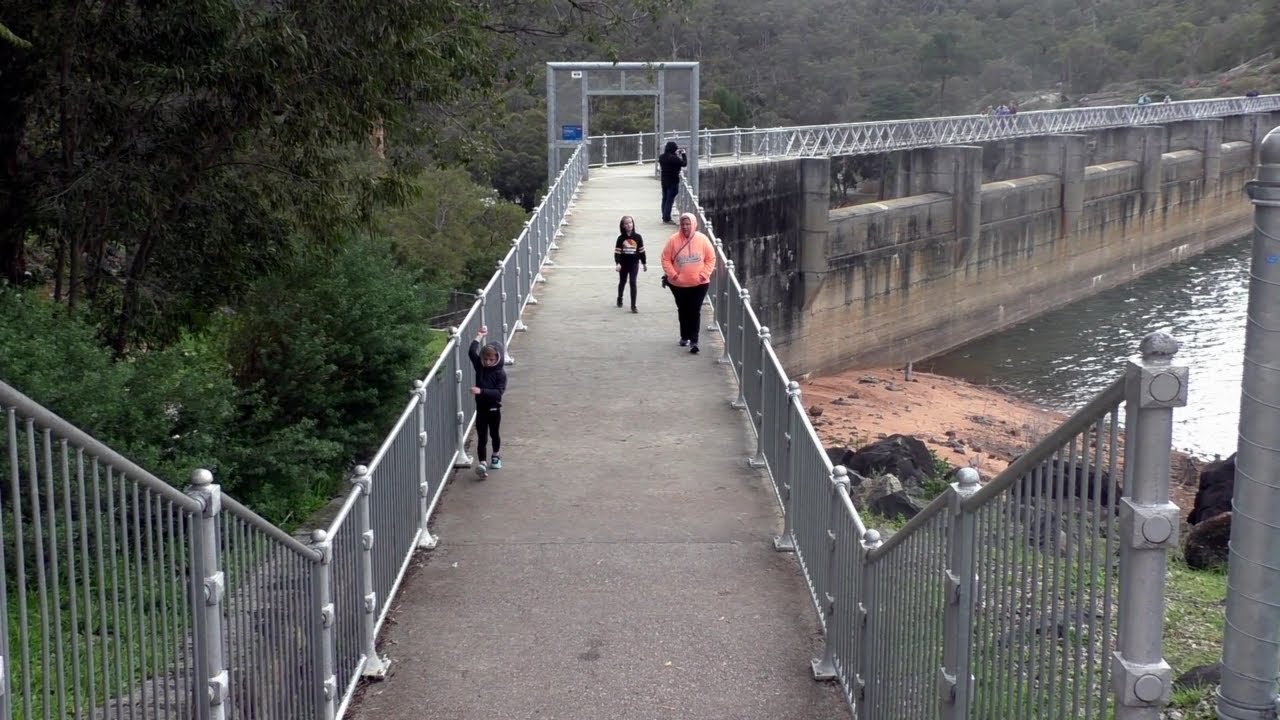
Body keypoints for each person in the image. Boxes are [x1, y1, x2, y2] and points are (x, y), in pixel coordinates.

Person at [660, 212, 717, 354]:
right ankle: (684, 335)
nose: (685, 227)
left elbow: (711, 258)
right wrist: (673, 275)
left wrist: (704, 274)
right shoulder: (673, 240)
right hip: (678, 284)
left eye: (688, 224)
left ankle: (694, 340)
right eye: (683, 224)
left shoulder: (702, 239)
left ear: (693, 224)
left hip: (699, 283)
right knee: (683, 309)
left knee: (695, 309)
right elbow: (665, 259)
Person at [468, 325, 507, 479]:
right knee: (482, 436)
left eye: (492, 359)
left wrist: (481, 391)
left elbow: (498, 393)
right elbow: (471, 352)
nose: (488, 362)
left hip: (494, 409)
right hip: (481, 409)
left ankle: (496, 455)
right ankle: (482, 464)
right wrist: (479, 336)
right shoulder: (480, 367)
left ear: (497, 358)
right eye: (485, 359)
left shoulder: (500, 374)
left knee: (494, 434)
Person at [614, 215, 647, 312]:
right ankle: (620, 297)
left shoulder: (638, 237)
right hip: (624, 264)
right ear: (623, 226)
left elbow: (641, 251)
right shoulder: (620, 239)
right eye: (626, 223)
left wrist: (644, 263)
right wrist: (618, 263)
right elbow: (617, 252)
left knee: (633, 282)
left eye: (630, 222)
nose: (629, 225)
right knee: (622, 281)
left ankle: (633, 305)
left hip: (634, 264)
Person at [657, 141, 687, 224]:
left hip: (664, 180)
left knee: (665, 198)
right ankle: (667, 218)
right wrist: (683, 154)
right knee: (670, 200)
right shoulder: (673, 158)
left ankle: (664, 216)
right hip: (673, 181)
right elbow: (684, 164)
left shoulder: (662, 157)